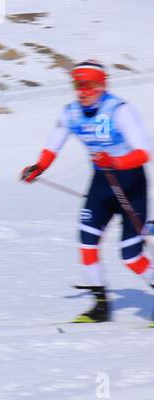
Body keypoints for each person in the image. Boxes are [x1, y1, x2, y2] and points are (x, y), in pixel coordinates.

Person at [20, 59, 153, 322]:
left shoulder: (119, 110)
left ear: (102, 86)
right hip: (102, 185)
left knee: (130, 255)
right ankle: (100, 307)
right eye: (78, 85)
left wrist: (115, 161)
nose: (82, 91)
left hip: (130, 185)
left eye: (89, 85)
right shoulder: (71, 113)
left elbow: (143, 153)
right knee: (86, 243)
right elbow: (53, 145)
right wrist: (39, 167)